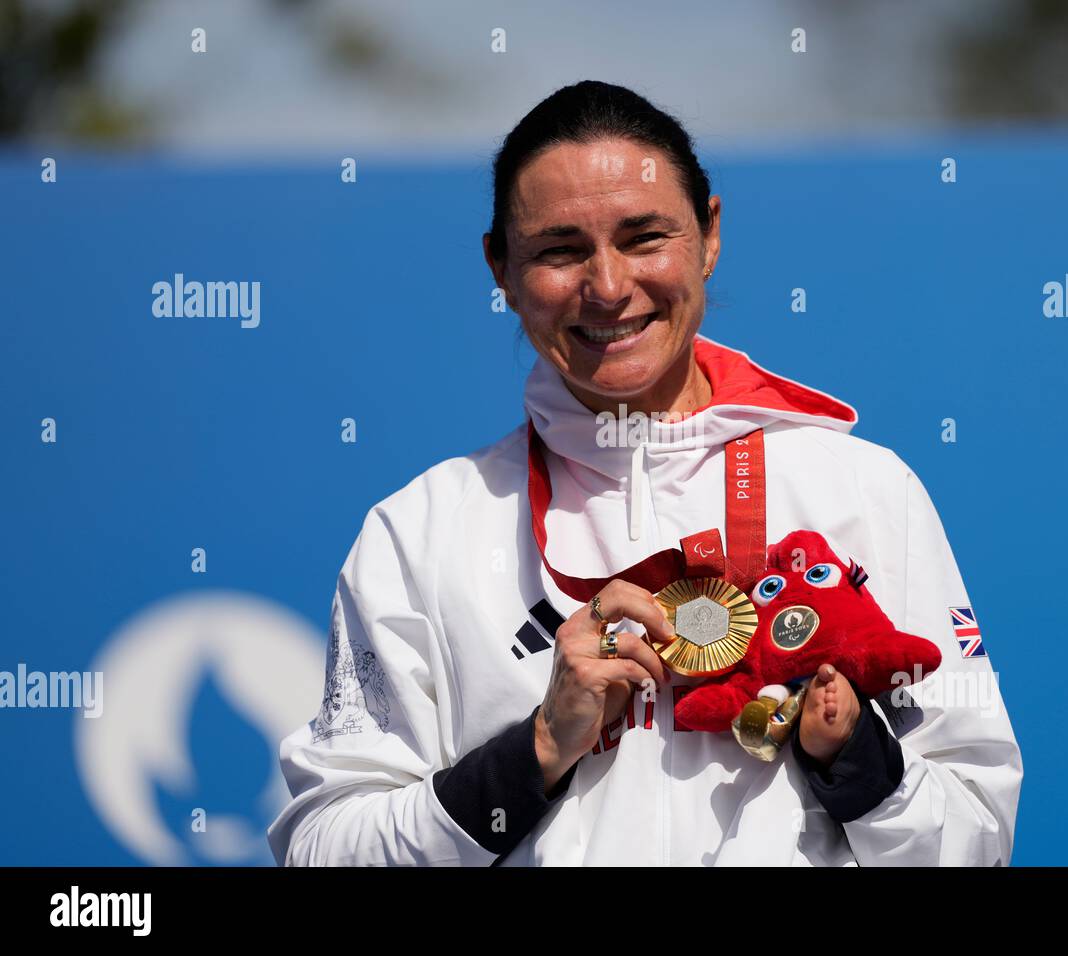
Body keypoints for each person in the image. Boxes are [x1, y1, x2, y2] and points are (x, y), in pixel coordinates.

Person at [266, 80, 1023, 866]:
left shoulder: (864, 491)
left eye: (643, 237)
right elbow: (325, 849)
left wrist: (858, 760)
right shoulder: (420, 533)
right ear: (501, 267)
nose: (608, 286)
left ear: (710, 234)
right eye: (560, 250)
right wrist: (536, 751)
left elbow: (980, 835)